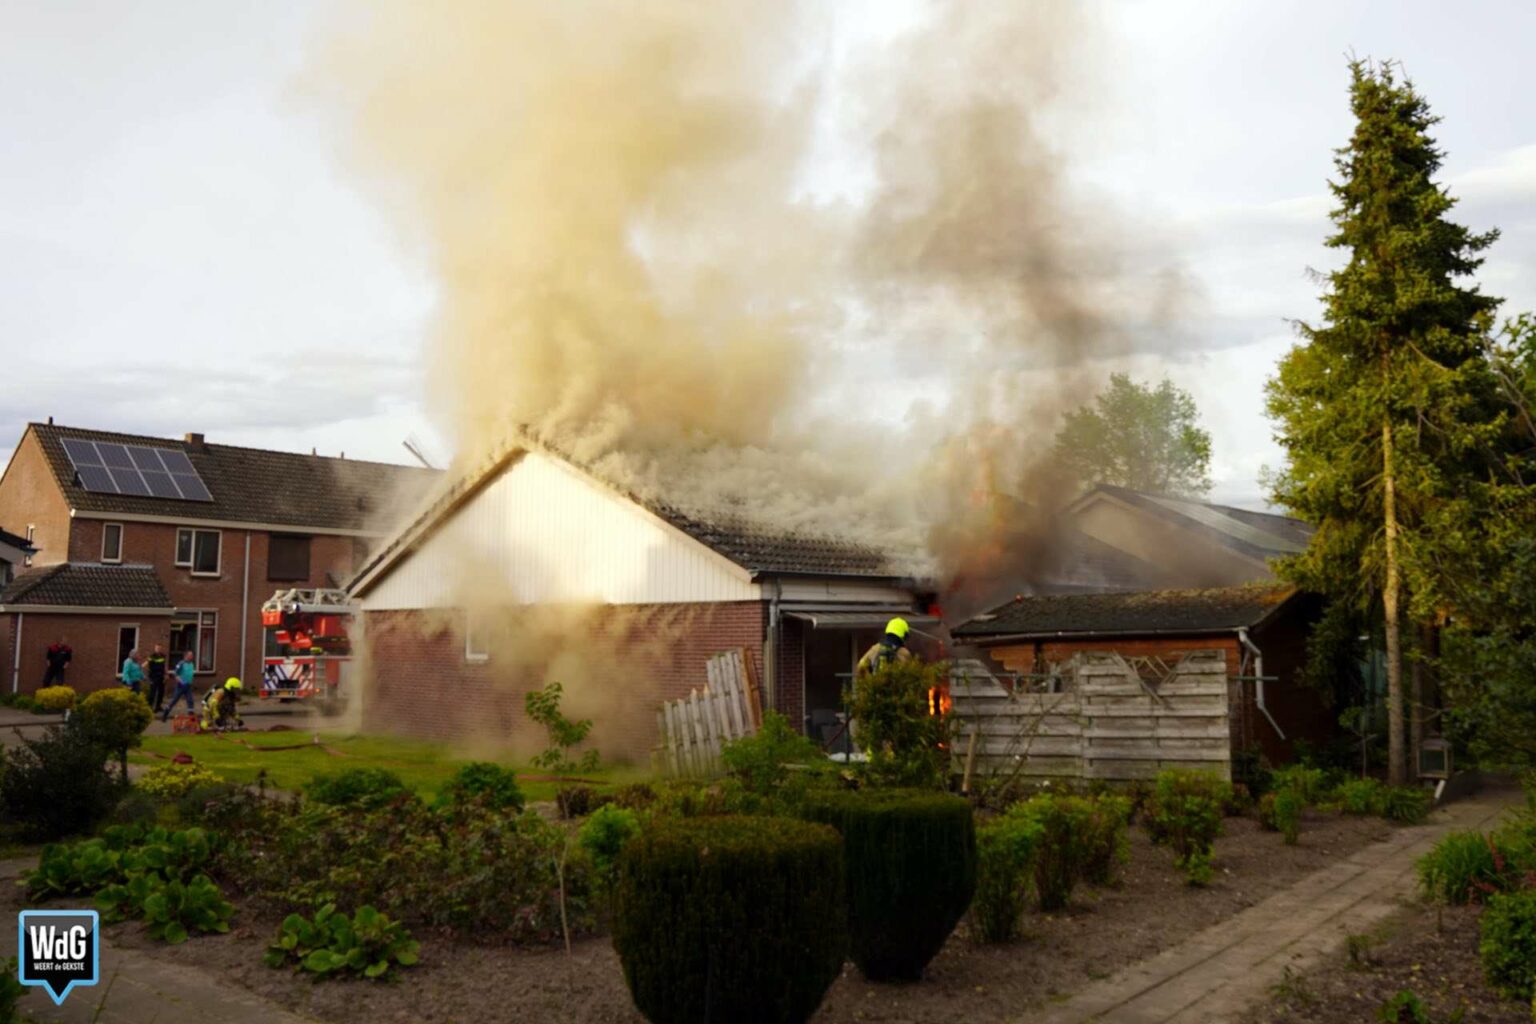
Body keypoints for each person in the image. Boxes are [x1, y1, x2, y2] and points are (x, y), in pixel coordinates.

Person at [161, 651, 197, 722]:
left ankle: (191, 717)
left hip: (188, 686)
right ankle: (165, 713)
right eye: (190, 655)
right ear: (186, 656)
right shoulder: (181, 663)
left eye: (192, 655)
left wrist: (191, 681)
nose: (192, 656)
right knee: (174, 700)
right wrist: (180, 681)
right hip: (181, 686)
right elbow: (175, 673)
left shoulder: (192, 664)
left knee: (190, 701)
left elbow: (190, 674)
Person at [145, 644, 168, 713]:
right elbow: (147, 664)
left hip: (161, 677)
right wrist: (149, 676)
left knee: (161, 692)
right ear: (155, 649)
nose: (158, 650)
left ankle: (158, 706)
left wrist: (166, 674)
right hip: (154, 677)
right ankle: (149, 707)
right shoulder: (152, 656)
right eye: (157, 648)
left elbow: (164, 666)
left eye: (160, 648)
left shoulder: (163, 656)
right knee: (152, 692)